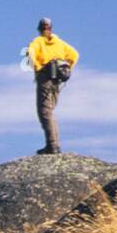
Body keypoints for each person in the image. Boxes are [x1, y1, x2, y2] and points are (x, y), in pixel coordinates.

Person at [26, 18, 79, 154]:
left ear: (39, 29)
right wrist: (68, 68)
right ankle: (53, 143)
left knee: (45, 111)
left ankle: (53, 145)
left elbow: (30, 55)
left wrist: (38, 68)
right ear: (51, 28)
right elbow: (74, 55)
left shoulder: (37, 42)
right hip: (57, 80)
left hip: (45, 77)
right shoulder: (60, 43)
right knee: (50, 110)